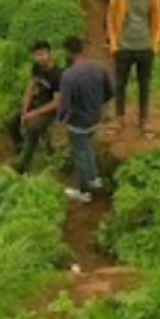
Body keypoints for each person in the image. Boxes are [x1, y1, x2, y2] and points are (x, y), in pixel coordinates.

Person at [106, 0, 160, 136]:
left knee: (144, 84)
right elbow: (110, 19)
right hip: (123, 47)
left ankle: (144, 119)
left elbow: (159, 21)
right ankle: (119, 118)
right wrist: (114, 45)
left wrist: (154, 45)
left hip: (145, 47)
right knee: (120, 84)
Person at [57, 35, 114, 204]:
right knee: (87, 148)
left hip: (78, 123)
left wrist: (61, 121)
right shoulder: (99, 67)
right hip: (95, 118)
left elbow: (65, 104)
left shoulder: (69, 76)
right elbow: (110, 92)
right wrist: (97, 106)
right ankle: (94, 179)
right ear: (83, 49)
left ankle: (84, 191)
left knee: (80, 154)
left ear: (68, 52)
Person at [6, 41, 62, 174]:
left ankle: (22, 166)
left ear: (50, 54)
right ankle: (21, 147)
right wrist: (24, 111)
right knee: (11, 122)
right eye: (36, 55)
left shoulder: (58, 75)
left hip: (49, 109)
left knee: (32, 128)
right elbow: (30, 89)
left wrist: (33, 114)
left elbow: (57, 103)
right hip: (35, 105)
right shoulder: (37, 68)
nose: (39, 58)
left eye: (42, 54)